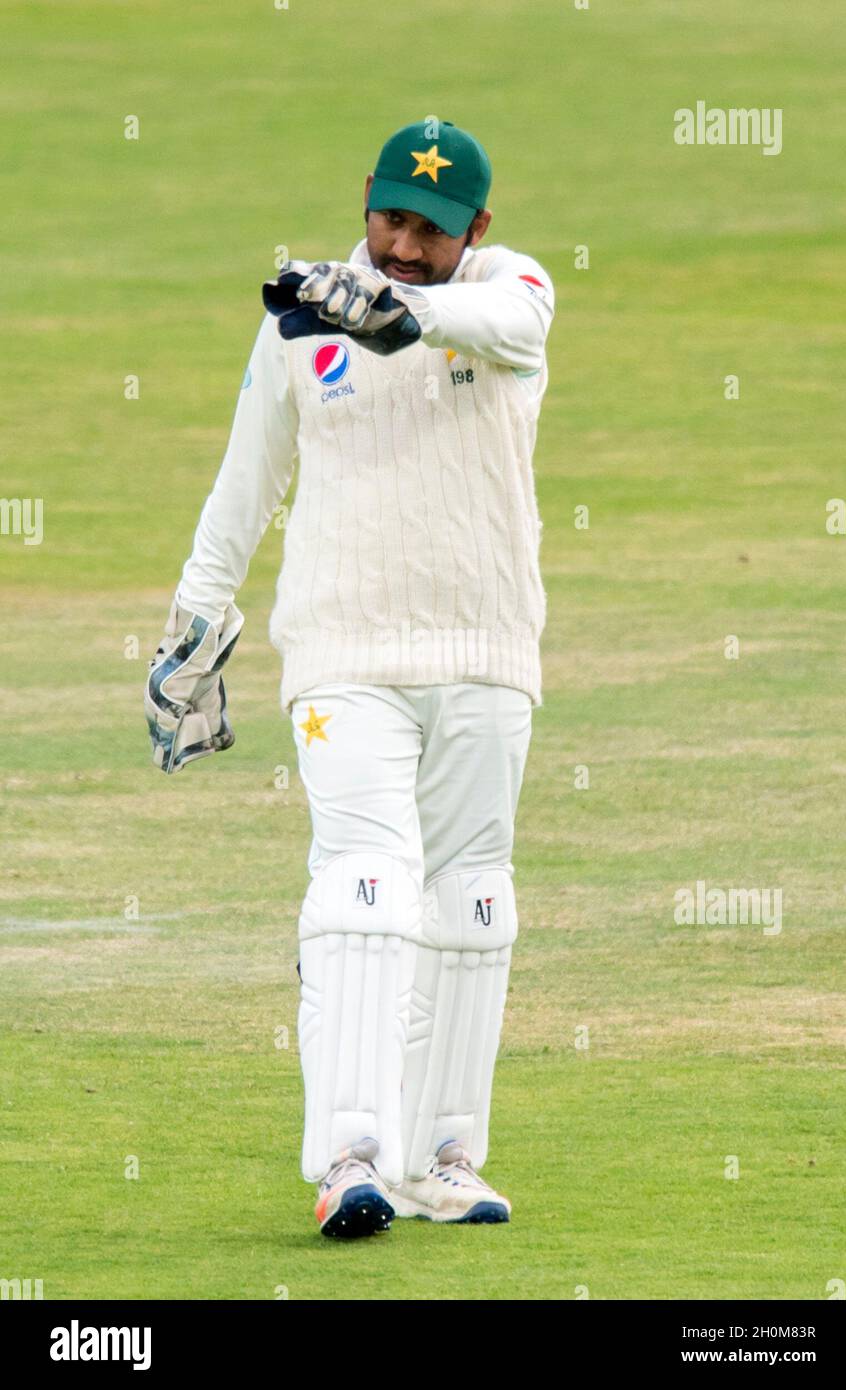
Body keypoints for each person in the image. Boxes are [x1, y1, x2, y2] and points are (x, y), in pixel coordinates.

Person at [144, 118, 555, 1239]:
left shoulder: (507, 291)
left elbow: (505, 318)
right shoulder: (300, 315)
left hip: (484, 649)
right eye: (388, 219)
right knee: (364, 888)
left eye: (429, 228)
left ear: (477, 224)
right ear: (363, 204)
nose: (403, 244)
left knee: (472, 901)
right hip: (342, 652)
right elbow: (248, 475)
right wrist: (196, 615)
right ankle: (351, 1160)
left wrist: (403, 313)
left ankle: (440, 1157)